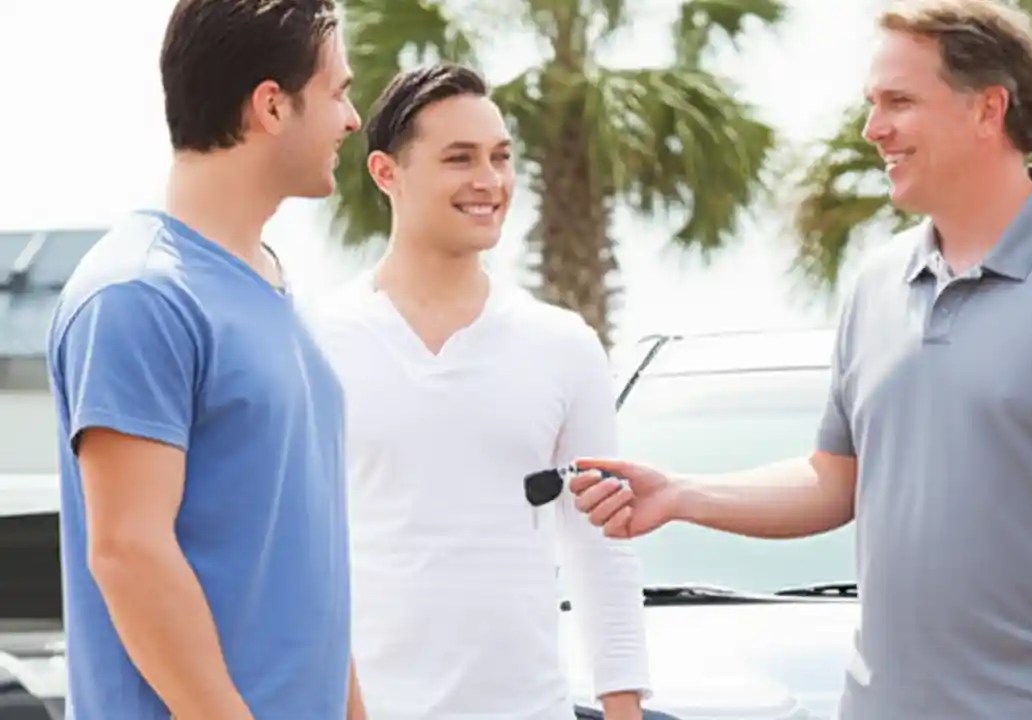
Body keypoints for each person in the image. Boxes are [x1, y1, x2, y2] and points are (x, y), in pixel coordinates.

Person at [569, 1, 1032, 718]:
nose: (874, 129)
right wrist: (683, 494)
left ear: (988, 109)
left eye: (899, 102)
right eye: (873, 104)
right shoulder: (878, 284)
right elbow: (833, 481)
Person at [45, 1, 364, 718]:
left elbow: (301, 559)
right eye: (339, 92)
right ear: (272, 107)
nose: (353, 118)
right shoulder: (138, 295)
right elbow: (129, 551)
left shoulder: (271, 288)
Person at [309, 63, 650, 720]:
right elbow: (297, 555)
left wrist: (623, 708)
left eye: (500, 158)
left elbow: (601, 545)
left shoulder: (563, 344)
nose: (489, 182)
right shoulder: (318, 340)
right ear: (387, 173)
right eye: (459, 159)